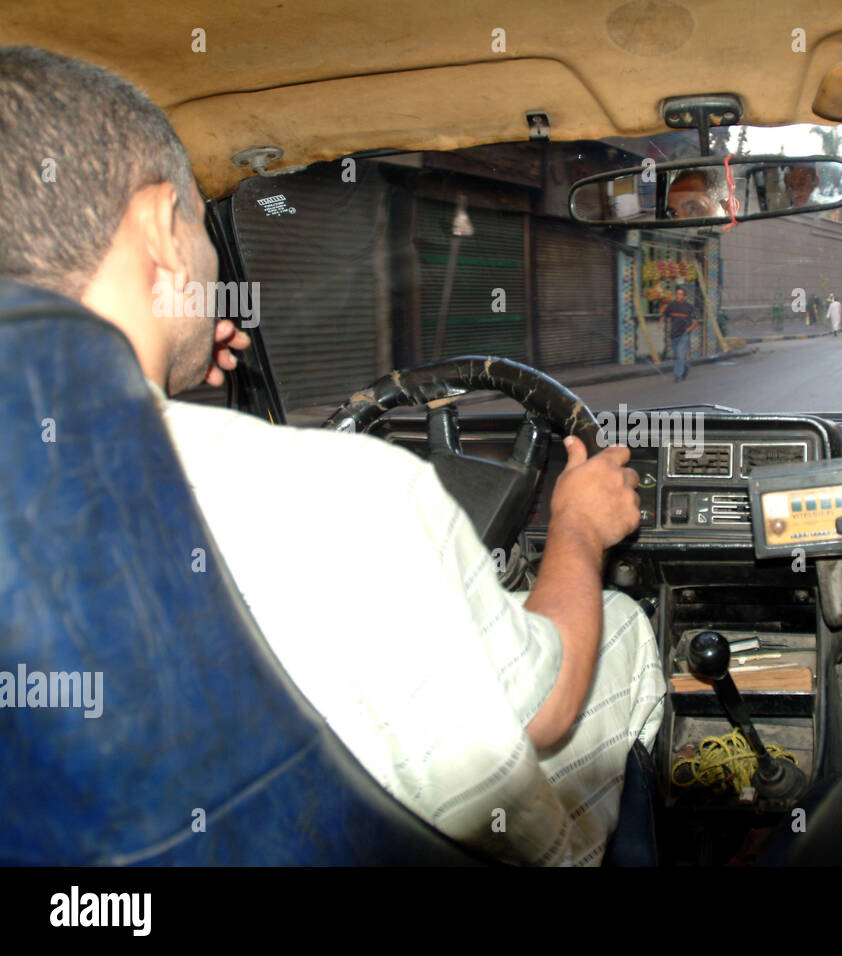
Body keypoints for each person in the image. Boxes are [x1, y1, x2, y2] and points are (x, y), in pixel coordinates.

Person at [0, 46, 665, 867]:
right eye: (201, 230)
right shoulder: (345, 495)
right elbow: (547, 711)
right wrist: (576, 531)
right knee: (625, 628)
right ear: (157, 232)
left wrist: (167, 377)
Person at [659, 285, 700, 381]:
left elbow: (696, 319)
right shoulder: (671, 305)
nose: (679, 296)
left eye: (681, 294)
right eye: (677, 294)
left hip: (684, 334)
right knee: (677, 356)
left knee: (681, 355)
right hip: (674, 334)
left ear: (684, 296)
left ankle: (678, 376)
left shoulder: (689, 307)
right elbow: (664, 314)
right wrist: (661, 321)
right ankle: (685, 367)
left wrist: (690, 328)